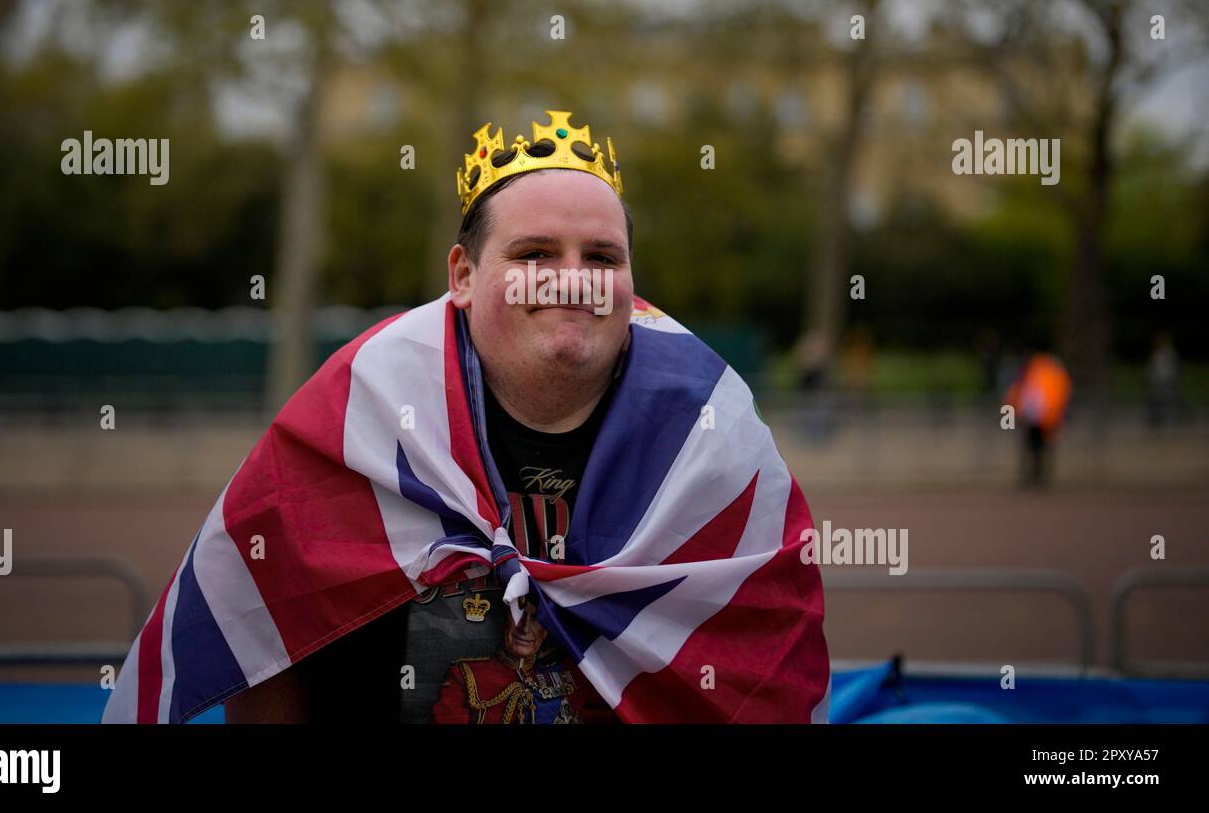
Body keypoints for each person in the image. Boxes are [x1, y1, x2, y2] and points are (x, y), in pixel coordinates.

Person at [106, 110, 829, 725]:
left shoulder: (710, 433)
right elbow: (258, 621)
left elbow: (770, 656)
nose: (571, 278)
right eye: (534, 253)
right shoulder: (359, 410)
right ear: (462, 277)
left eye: (601, 256)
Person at [1002, 346, 1072, 488]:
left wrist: (1008, 419)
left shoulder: (1040, 372)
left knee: (1036, 449)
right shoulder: (1044, 372)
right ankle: (1033, 478)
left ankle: (1035, 478)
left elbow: (1015, 395)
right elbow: (1015, 396)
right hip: (1036, 418)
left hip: (1041, 418)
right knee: (1034, 449)